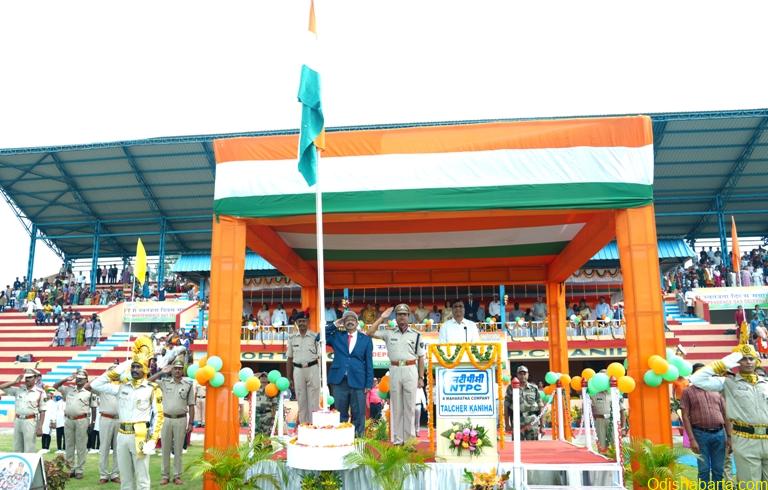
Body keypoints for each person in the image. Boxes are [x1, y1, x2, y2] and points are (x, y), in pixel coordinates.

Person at [91, 337, 165, 490]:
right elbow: (95, 384)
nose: (135, 370)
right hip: (122, 434)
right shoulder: (122, 387)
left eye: (138, 367)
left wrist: (152, 440)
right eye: (133, 367)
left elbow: (158, 417)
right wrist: (125, 364)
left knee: (142, 479)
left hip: (140, 435)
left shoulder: (152, 388)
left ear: (145, 369)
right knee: (126, 480)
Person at [690, 342, 768, 484]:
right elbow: (696, 379)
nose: (748, 362)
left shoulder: (765, 383)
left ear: (757, 360)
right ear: (737, 361)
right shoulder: (728, 382)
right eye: (743, 358)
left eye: (751, 358)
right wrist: (727, 361)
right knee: (750, 485)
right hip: (746, 439)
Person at [367, 304, 426, 444]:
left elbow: (421, 357)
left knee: (410, 407)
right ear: (396, 316)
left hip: (410, 369)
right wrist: (382, 317)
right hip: (394, 369)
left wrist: (421, 377)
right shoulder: (389, 333)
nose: (402, 317)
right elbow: (369, 332)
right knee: (397, 407)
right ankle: (398, 440)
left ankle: (410, 441)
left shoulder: (416, 335)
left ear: (408, 316)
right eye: (399, 314)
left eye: (404, 314)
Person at [324, 310, 373, 436]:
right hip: (339, 382)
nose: (350, 321)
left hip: (358, 381)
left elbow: (369, 363)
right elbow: (320, 337)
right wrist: (335, 324)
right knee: (340, 415)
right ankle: (342, 440)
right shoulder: (337, 336)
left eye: (352, 320)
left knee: (358, 414)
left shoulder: (366, 340)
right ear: (343, 323)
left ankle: (358, 442)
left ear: (357, 323)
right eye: (346, 320)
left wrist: (368, 383)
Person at [681, 363, 729, 485]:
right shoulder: (687, 392)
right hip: (700, 435)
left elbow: (725, 414)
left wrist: (729, 436)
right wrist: (692, 440)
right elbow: (685, 416)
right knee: (704, 470)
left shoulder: (717, 390)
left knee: (718, 470)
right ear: (693, 375)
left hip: (719, 434)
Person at [150, 358, 195, 486]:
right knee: (165, 448)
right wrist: (161, 372)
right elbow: (148, 381)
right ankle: (165, 475)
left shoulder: (188, 385)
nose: (177, 371)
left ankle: (177, 475)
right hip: (166, 419)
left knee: (178, 449)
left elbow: (191, 405)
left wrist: (191, 423)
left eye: (180, 369)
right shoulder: (164, 382)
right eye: (175, 368)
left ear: (183, 371)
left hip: (181, 419)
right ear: (172, 370)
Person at [53, 370, 93, 479]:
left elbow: (93, 407)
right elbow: (55, 386)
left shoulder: (89, 392)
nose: (79, 379)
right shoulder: (68, 389)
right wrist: (66, 379)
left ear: (86, 380)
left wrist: (92, 423)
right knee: (69, 445)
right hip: (69, 420)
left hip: (82, 420)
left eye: (82, 378)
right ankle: (70, 469)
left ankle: (79, 470)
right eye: (78, 377)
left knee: (81, 446)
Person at [286, 311, 320, 425]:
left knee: (314, 398)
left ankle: (313, 424)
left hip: (312, 367)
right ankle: (304, 425)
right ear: (296, 323)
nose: (301, 323)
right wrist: (288, 377)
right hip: (298, 370)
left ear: (308, 322)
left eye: (304, 321)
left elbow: (320, 356)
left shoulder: (315, 337)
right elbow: (289, 358)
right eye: (299, 321)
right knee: (301, 398)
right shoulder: (292, 338)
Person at [0, 369, 45, 452]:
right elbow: (1, 387)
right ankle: (18, 465)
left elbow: (42, 411)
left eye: (30, 377)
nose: (27, 379)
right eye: (26, 377)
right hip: (18, 420)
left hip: (30, 421)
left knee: (29, 447)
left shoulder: (40, 392)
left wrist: (40, 427)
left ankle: (28, 464)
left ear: (35, 378)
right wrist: (15, 382)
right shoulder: (19, 390)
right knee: (17, 447)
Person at [87, 373, 120, 484]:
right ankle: (104, 475)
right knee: (104, 447)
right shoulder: (102, 386)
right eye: (112, 372)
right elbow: (87, 387)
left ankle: (116, 474)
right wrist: (101, 378)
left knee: (118, 448)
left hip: (120, 419)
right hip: (106, 418)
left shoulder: (122, 385)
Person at [589, 370, 627, 453]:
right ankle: (602, 462)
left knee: (615, 443)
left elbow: (622, 410)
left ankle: (617, 461)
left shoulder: (615, 392)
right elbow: (589, 407)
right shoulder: (593, 393)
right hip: (599, 421)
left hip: (612, 420)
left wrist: (623, 427)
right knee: (601, 445)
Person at [516, 366, 543, 440]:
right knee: (516, 447)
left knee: (532, 447)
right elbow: (506, 406)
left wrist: (542, 426)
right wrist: (508, 425)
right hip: (518, 422)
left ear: (528, 375)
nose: (522, 376)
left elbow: (540, 406)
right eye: (520, 374)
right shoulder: (511, 388)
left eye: (524, 374)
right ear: (517, 375)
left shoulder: (534, 388)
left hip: (532, 422)